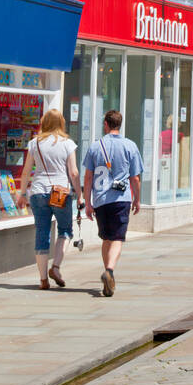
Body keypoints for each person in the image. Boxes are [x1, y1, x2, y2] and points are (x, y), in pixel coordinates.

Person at [17, 108, 82, 290]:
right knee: (65, 230)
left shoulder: (34, 143)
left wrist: (22, 194)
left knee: (42, 233)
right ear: (61, 123)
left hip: (38, 191)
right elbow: (74, 172)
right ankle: (56, 267)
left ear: (44, 123)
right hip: (60, 191)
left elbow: (26, 171)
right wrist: (80, 195)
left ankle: (43, 279)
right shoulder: (67, 144)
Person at [82, 110, 143, 298]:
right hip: (121, 199)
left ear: (106, 125)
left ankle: (107, 272)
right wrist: (137, 199)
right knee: (117, 238)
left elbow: (88, 177)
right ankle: (109, 270)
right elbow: (135, 178)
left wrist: (88, 202)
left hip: (101, 200)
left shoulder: (95, 147)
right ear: (119, 125)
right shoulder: (130, 146)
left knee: (106, 238)